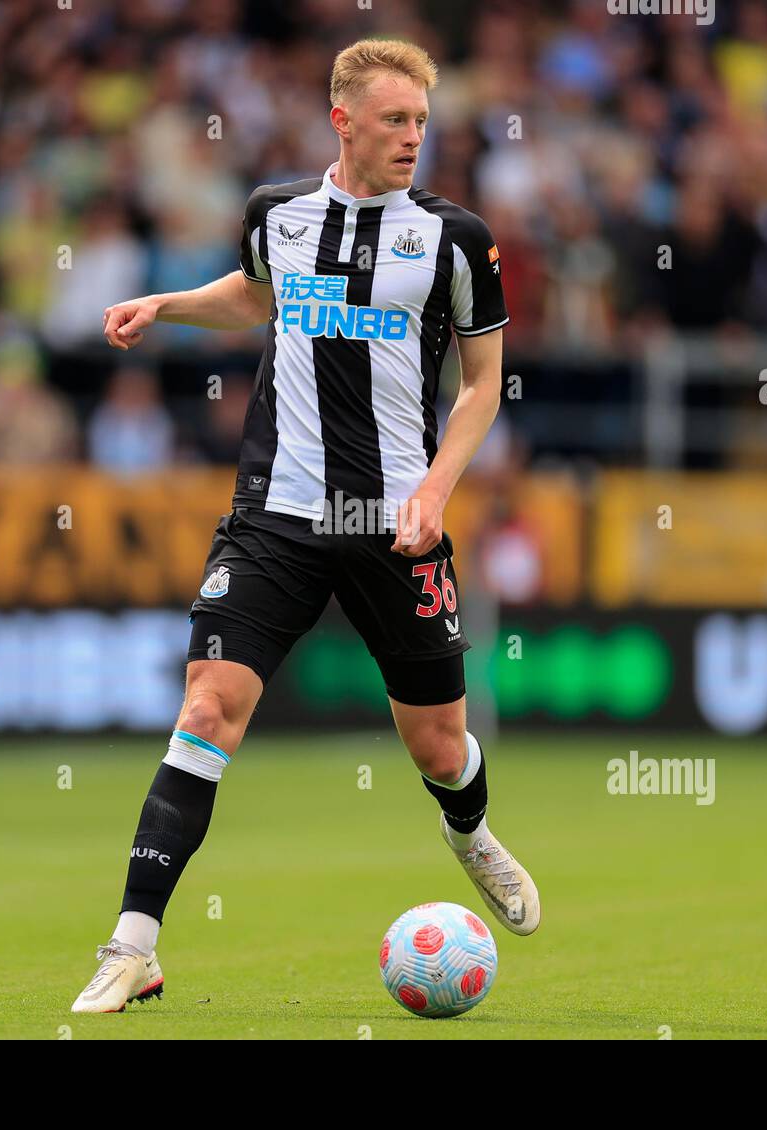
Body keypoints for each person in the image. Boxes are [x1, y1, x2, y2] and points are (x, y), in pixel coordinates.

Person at [72, 38, 540, 1014]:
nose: (412, 137)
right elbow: (253, 295)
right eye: (393, 121)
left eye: (421, 121)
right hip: (276, 511)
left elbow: (485, 384)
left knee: (439, 745)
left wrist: (438, 487)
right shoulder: (278, 216)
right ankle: (133, 943)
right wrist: (165, 304)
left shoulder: (457, 239)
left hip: (395, 520)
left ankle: (468, 834)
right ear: (343, 121)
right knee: (206, 708)